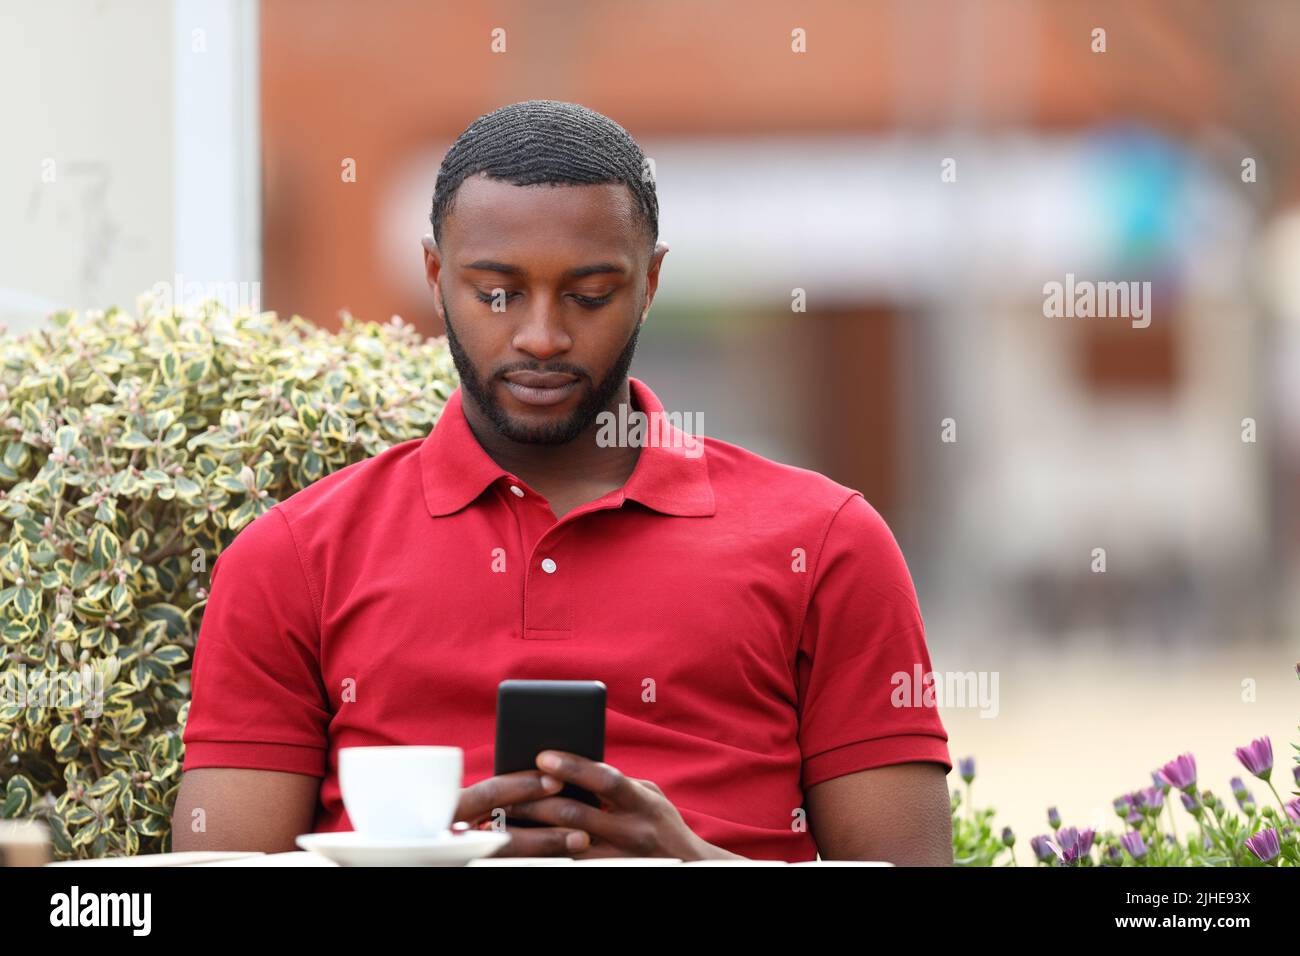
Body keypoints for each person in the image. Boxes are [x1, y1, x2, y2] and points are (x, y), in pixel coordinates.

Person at [172, 100, 953, 863]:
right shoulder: (293, 559)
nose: (542, 336)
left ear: (649, 283)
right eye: (497, 294)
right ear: (436, 277)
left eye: (589, 296)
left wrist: (696, 866)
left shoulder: (823, 542)